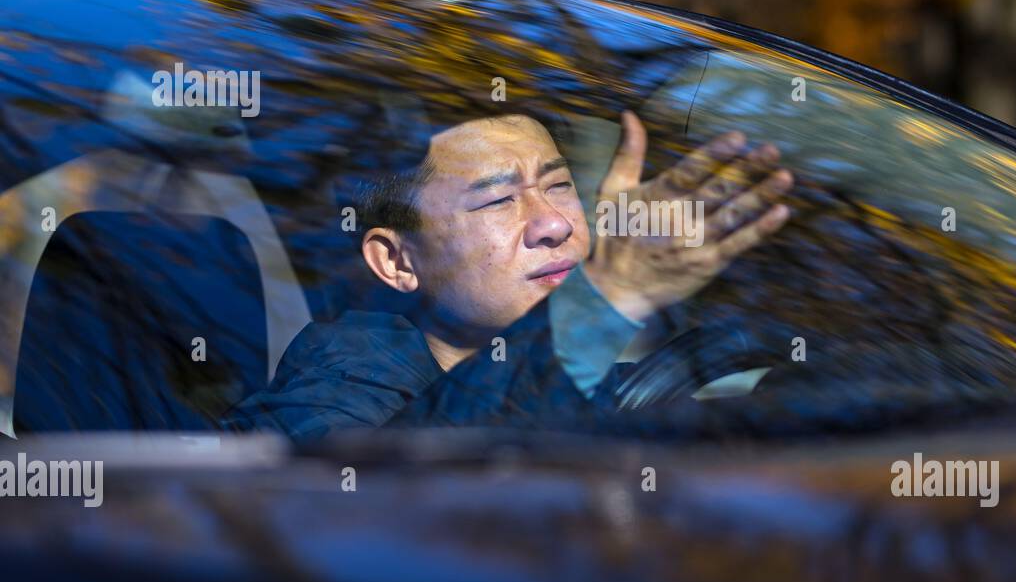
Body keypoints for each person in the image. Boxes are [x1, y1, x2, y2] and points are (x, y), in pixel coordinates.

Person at [221, 109, 792, 440]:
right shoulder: (328, 401)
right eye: (497, 201)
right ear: (397, 262)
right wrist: (611, 293)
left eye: (560, 185)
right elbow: (391, 517)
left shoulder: (613, 377)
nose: (552, 223)